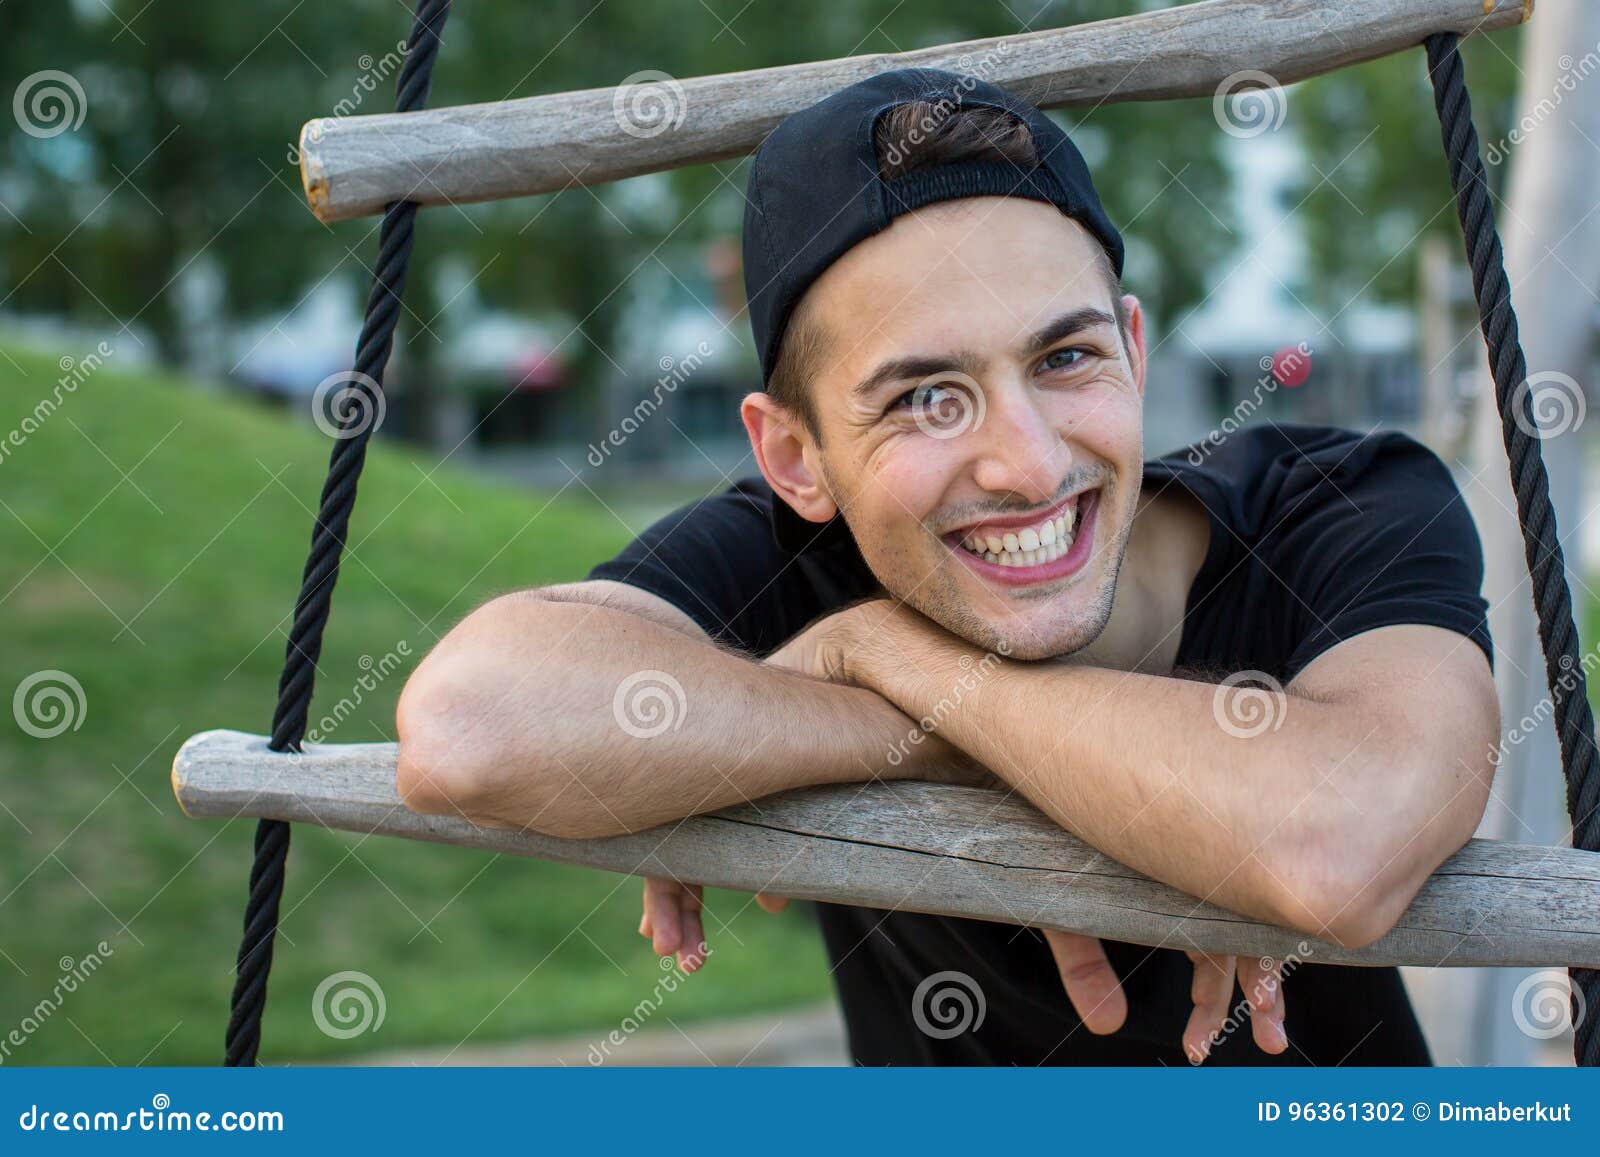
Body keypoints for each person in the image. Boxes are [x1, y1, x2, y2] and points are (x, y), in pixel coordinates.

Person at [394, 69, 1497, 1066]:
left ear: (1134, 350)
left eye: (1064, 357)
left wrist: (873, 660)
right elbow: (472, 723)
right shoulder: (796, 548)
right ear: (796, 456)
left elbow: (1339, 838)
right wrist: (1009, 745)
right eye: (926, 396)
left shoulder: (1339, 504)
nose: (1026, 462)